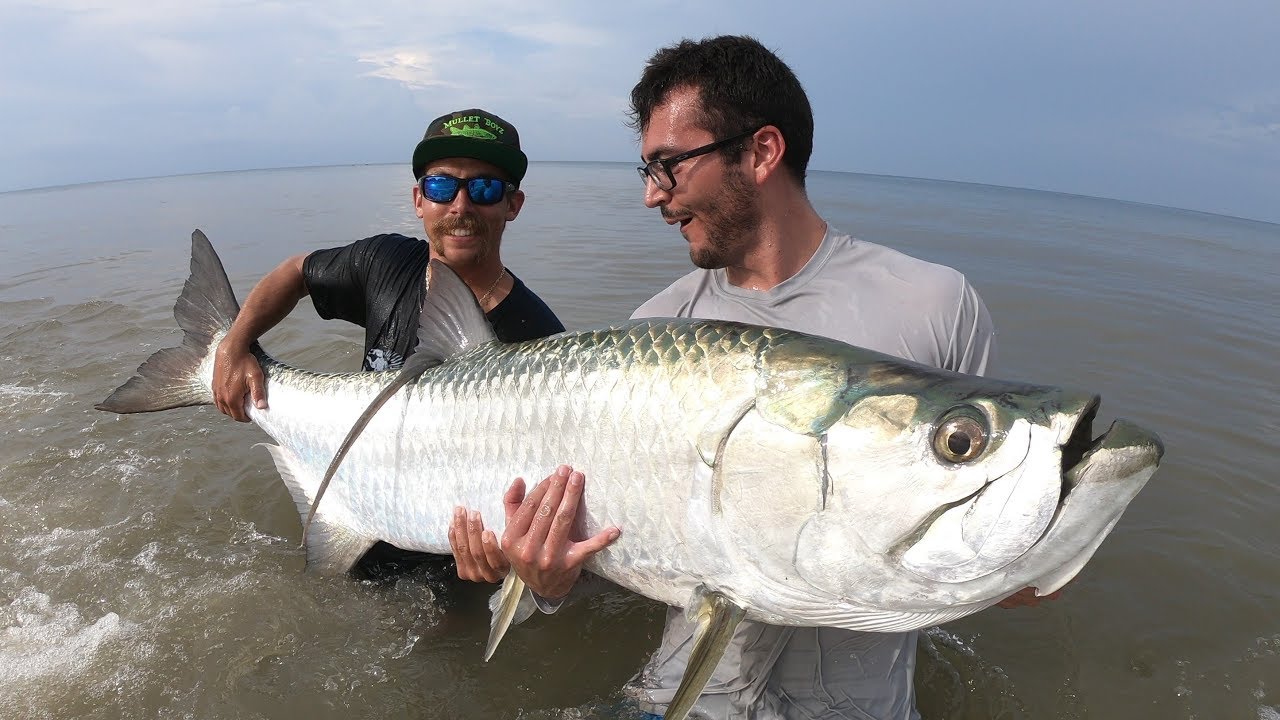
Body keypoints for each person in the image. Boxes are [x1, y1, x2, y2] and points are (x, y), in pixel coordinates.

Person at [450, 37, 1055, 718]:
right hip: (678, 703)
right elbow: (626, 552)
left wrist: (1035, 546)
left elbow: (987, 535)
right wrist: (544, 579)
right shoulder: (655, 331)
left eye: (669, 165)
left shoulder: (934, 305)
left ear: (762, 152)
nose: (652, 195)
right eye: (648, 170)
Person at [211, 107, 565, 576]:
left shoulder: (540, 340)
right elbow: (296, 271)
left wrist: (514, 566)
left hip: (450, 570)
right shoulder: (385, 263)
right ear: (419, 199)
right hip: (355, 514)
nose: (461, 206)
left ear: (513, 204)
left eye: (484, 188)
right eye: (441, 186)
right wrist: (233, 345)